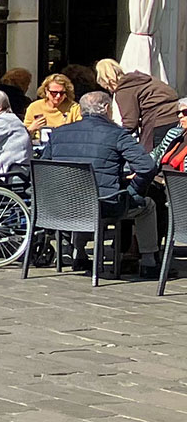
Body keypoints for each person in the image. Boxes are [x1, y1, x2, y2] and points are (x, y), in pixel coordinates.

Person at [41, 91, 161, 274]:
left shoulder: (58, 133)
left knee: (81, 191)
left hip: (61, 205)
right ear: (106, 109)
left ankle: (79, 254)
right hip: (103, 204)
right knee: (148, 206)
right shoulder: (116, 134)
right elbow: (147, 167)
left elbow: (44, 168)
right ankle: (149, 262)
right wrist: (134, 191)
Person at [96, 57, 181, 151]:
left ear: (106, 81)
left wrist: (113, 139)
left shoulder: (124, 91)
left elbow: (130, 123)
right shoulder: (144, 79)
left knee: (153, 158)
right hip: (178, 117)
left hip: (159, 123)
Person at [154, 96, 187, 172]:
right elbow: (156, 153)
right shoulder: (174, 133)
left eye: (185, 112)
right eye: (178, 113)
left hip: (179, 181)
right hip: (159, 177)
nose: (180, 116)